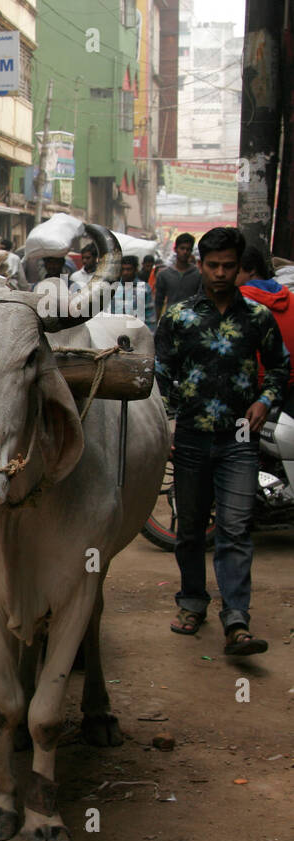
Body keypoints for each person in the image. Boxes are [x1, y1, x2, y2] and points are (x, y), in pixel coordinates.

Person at [154, 227, 290, 656]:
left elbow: (280, 369)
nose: (219, 273)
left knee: (234, 528)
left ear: (238, 267)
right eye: (212, 265)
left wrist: (265, 402)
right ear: (200, 264)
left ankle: (236, 620)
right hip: (192, 437)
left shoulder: (258, 318)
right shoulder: (177, 318)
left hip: (239, 438)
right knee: (191, 530)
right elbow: (160, 370)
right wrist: (176, 410)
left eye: (228, 266)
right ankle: (192, 603)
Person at [238, 246, 294, 389]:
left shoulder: (237, 303)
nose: (222, 274)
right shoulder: (290, 298)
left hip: (256, 390)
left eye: (230, 267)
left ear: (251, 270)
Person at [154, 232, 202, 322]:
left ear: (191, 251)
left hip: (191, 322)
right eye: (182, 248)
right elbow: (158, 302)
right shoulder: (164, 275)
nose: (185, 252)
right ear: (175, 249)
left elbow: (201, 300)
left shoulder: (198, 275)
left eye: (188, 249)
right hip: (171, 321)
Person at [111, 254, 155, 328]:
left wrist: (150, 334)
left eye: (129, 269)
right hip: (115, 331)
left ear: (135, 270)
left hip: (136, 332)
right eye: (123, 269)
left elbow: (150, 314)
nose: (125, 273)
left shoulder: (144, 288)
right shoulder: (112, 288)